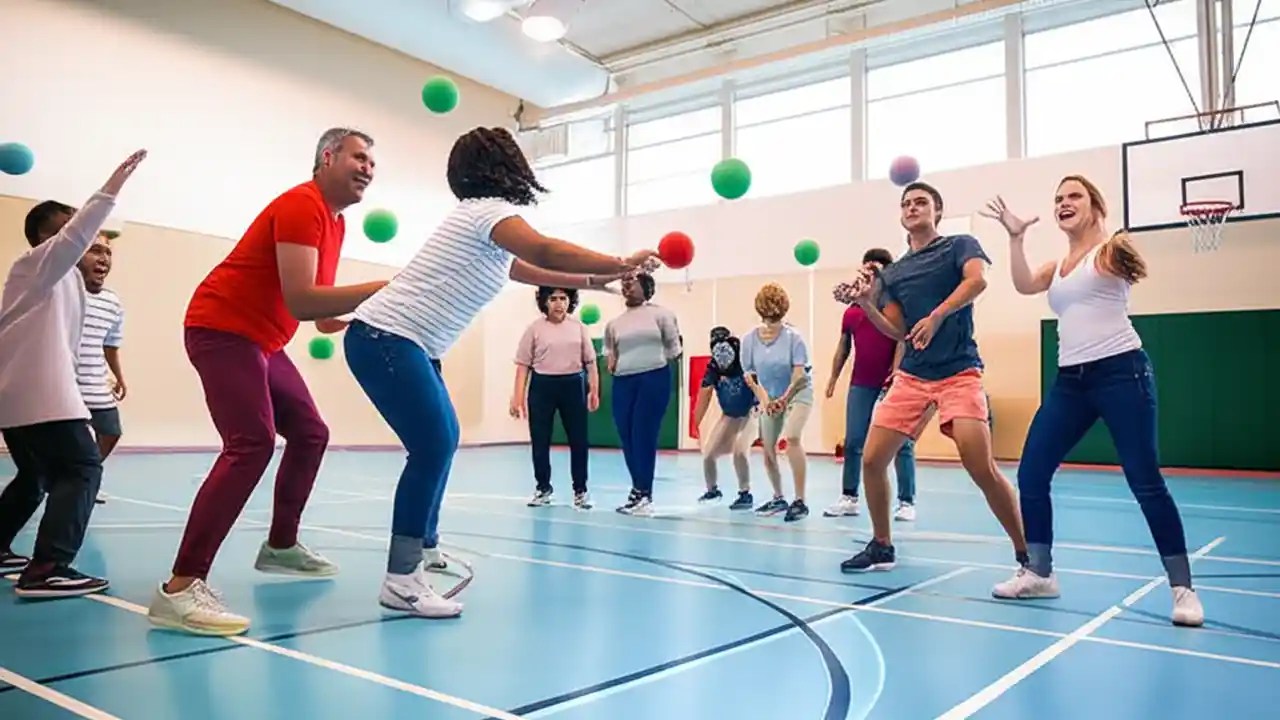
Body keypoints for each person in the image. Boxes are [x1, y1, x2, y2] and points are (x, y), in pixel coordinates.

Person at [344, 126, 656, 619]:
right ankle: (401, 580)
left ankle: (423, 545)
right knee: (434, 445)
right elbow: (547, 252)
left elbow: (538, 271)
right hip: (387, 337)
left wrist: (603, 280)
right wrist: (619, 261)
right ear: (504, 165)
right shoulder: (487, 213)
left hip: (407, 344)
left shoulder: (481, 229)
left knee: (443, 437)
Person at [147, 129, 389, 636]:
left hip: (262, 340)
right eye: (359, 157)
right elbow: (304, 301)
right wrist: (390, 284)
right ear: (327, 158)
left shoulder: (335, 222)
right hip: (221, 327)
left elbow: (321, 316)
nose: (368, 168)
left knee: (310, 432)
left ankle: (281, 545)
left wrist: (382, 309)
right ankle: (180, 587)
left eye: (373, 162)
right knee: (251, 442)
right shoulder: (302, 204)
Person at [981, 176, 1204, 627]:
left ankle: (1183, 590)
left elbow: (1129, 263)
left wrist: (1109, 235)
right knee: (1032, 471)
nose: (1064, 203)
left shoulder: (1110, 250)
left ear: (1095, 206)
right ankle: (1040, 572)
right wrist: (1016, 237)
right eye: (1058, 198)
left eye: (1074, 197)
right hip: (1071, 382)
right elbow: (1025, 284)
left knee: (1145, 481)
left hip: (1122, 373)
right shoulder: (1059, 265)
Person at [840, 181, 1027, 573]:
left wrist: (938, 315)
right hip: (912, 377)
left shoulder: (960, 245)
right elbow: (896, 330)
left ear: (937, 211)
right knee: (872, 461)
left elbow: (977, 281)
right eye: (906, 203)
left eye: (921, 202)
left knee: (981, 467)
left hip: (959, 372)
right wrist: (865, 303)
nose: (912, 207)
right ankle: (882, 545)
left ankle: (1028, 554)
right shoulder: (895, 272)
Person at [0, 149, 147, 597]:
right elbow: (74, 236)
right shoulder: (40, 265)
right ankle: (48, 567)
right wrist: (112, 187)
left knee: (36, 475)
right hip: (39, 397)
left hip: (18, 399)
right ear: (51, 237)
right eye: (79, 233)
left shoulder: (54, 283)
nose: (90, 245)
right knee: (82, 467)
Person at [825, 248, 916, 521]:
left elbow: (902, 340)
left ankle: (906, 501)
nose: (868, 276)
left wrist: (897, 374)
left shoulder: (895, 307)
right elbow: (843, 348)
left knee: (902, 443)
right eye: (864, 270)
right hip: (861, 383)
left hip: (893, 382)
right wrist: (832, 378)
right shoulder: (852, 313)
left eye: (874, 271)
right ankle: (849, 497)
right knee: (854, 440)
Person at [512, 286, 599, 511]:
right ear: (545, 302)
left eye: (563, 298)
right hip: (542, 386)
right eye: (553, 298)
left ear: (570, 301)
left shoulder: (578, 327)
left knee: (578, 440)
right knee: (540, 440)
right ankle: (543, 488)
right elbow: (523, 365)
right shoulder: (534, 329)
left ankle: (580, 490)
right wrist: (518, 398)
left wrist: (594, 390)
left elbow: (590, 363)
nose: (559, 303)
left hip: (572, 385)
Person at [603, 272, 682, 517]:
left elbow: (674, 350)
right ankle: (638, 490)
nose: (626, 285)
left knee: (643, 435)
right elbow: (610, 355)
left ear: (646, 286)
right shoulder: (613, 324)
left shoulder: (662, 315)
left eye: (632, 281)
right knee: (626, 436)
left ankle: (645, 494)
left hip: (653, 378)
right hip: (623, 382)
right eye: (624, 282)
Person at [739, 282, 813, 522]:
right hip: (769, 395)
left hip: (798, 392)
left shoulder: (794, 338)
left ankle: (800, 500)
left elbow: (799, 374)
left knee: (791, 436)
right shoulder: (749, 339)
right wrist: (765, 399)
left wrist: (784, 398)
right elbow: (749, 374)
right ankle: (778, 496)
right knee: (768, 447)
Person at [74, 231, 127, 505]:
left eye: (107, 253)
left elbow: (111, 345)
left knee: (111, 431)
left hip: (96, 382)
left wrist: (119, 377)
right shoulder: (66, 295)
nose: (103, 258)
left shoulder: (113, 302)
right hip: (67, 384)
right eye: (95, 250)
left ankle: (87, 477)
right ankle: (79, 480)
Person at [693, 326, 757, 510]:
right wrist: (696, 424)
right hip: (729, 415)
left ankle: (745, 493)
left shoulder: (745, 361)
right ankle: (712, 490)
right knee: (709, 454)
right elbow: (704, 396)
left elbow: (759, 387)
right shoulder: (713, 368)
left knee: (740, 450)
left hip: (751, 412)